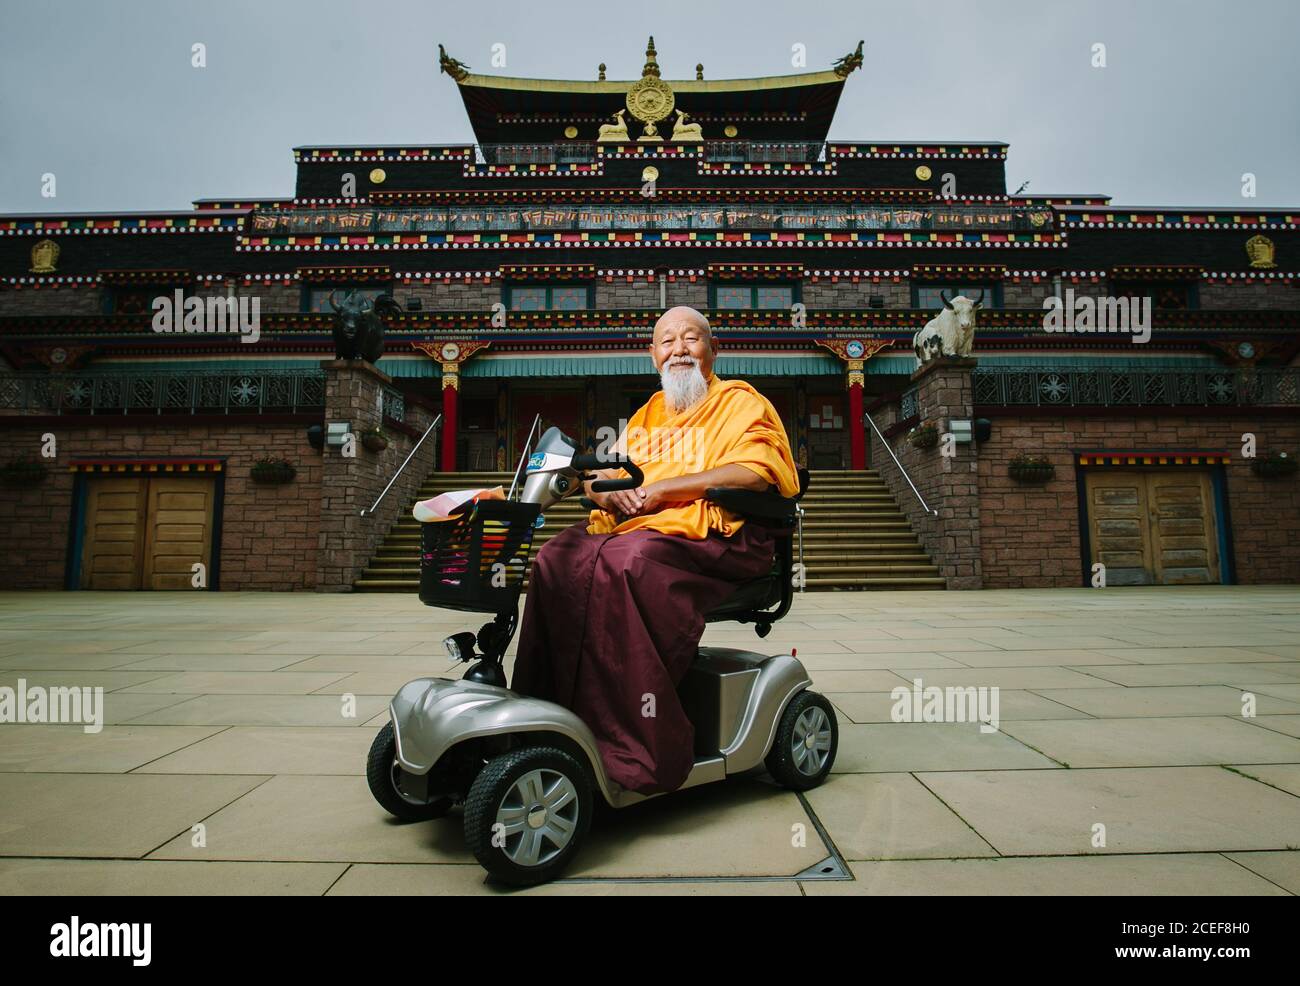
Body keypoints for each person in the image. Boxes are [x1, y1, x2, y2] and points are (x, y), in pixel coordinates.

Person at [510, 306, 800, 795]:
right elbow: (601, 475)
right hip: (644, 526)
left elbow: (754, 471)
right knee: (555, 559)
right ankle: (547, 718)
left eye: (691, 339)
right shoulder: (649, 413)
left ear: (713, 350)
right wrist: (605, 493)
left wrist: (670, 490)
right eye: (667, 342)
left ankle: (636, 746)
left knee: (628, 563)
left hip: (719, 533)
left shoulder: (739, 402)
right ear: (653, 356)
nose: (679, 349)